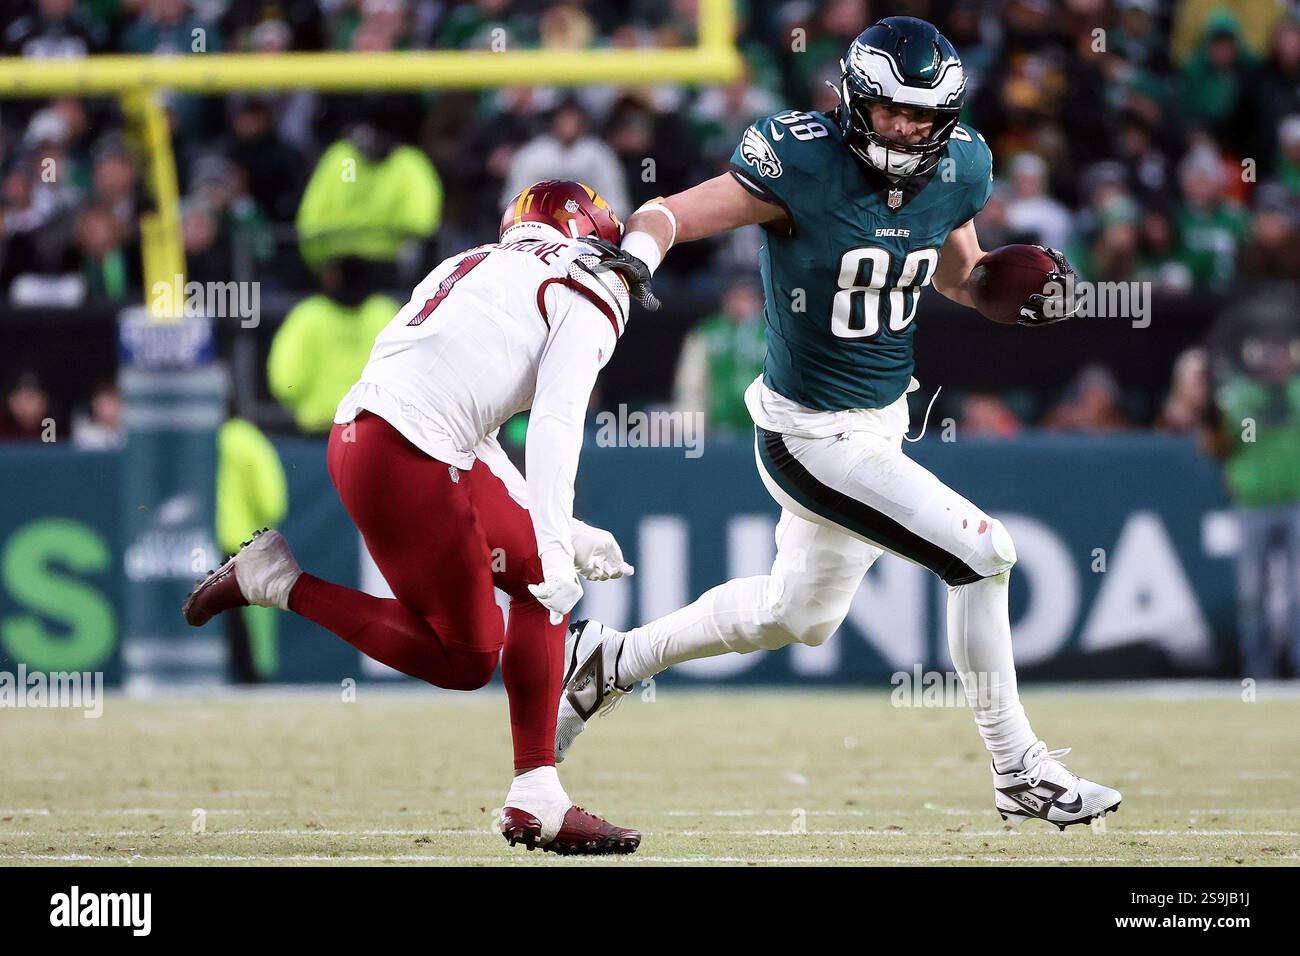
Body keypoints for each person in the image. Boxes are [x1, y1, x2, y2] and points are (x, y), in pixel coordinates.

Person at [556, 17, 1122, 831]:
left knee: (798, 616)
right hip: (808, 434)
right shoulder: (800, 160)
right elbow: (667, 212)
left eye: (922, 117)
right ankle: (1020, 769)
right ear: (857, 101)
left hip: (879, 424)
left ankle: (611, 659)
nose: (905, 129)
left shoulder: (961, 167)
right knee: (984, 552)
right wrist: (634, 260)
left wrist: (1012, 290)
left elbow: (962, 278)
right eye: (890, 111)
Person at [183, 180, 641, 854]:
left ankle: (537, 797)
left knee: (541, 578)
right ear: (584, 240)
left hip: (375, 435)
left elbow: (470, 418)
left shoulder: (473, 263)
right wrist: (553, 528)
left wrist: (558, 533)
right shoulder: (576, 290)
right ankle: (277, 581)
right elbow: (555, 424)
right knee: (467, 657)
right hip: (407, 454)